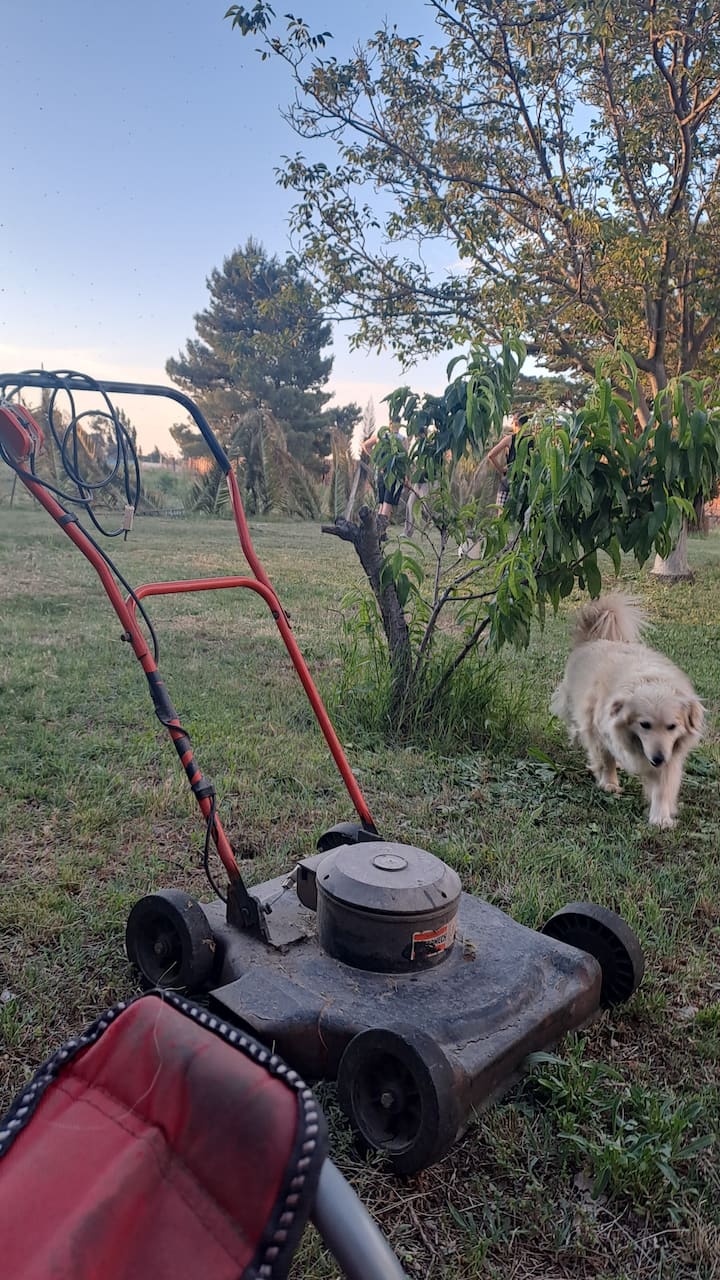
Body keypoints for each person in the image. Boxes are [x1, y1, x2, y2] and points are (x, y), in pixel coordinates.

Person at [362, 419, 407, 535]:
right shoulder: (401, 439)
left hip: (381, 473)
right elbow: (405, 458)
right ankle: (380, 531)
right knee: (388, 502)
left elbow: (366, 445)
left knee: (382, 503)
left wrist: (377, 459)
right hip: (394, 473)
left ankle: (376, 529)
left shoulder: (381, 436)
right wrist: (406, 477)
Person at [487, 412, 531, 508]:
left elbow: (491, 455)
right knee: (523, 520)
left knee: (501, 517)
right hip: (526, 485)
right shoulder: (533, 439)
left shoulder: (510, 439)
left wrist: (502, 470)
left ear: (515, 423)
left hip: (508, 483)